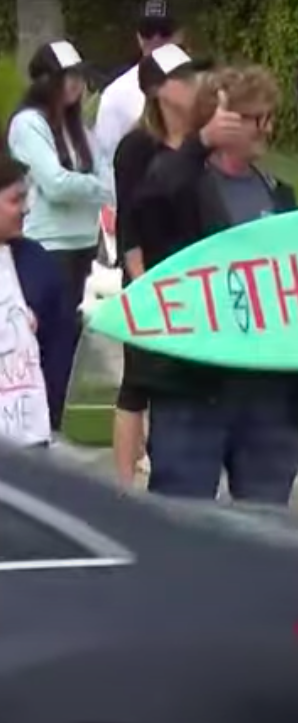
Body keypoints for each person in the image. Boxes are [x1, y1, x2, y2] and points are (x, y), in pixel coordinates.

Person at [129, 66, 298, 503]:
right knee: (183, 525)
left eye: (270, 116)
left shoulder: (279, 194)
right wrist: (200, 143)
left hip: (269, 393)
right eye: (258, 118)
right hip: (194, 390)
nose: (269, 128)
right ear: (224, 119)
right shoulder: (179, 182)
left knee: (266, 528)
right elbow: (149, 206)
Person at [110, 43, 203, 485]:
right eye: (182, 78)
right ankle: (124, 487)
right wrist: (141, 283)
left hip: (198, 276)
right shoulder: (136, 148)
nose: (193, 84)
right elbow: (129, 221)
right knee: (138, 383)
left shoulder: (204, 140)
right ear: (157, 90)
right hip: (150, 272)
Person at [7, 40, 112, 317]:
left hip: (84, 242)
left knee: (71, 333)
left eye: (79, 75)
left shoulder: (79, 130)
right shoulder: (28, 124)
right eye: (67, 76)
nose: (76, 83)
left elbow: (109, 181)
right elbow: (56, 184)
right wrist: (94, 186)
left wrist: (89, 185)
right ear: (46, 80)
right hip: (48, 242)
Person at [0, 156, 77, 448]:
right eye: (15, 200)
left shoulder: (37, 263)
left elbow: (60, 344)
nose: (26, 208)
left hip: (27, 431)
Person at [94, 0, 185, 161]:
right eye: (147, 31)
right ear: (138, 37)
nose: (156, 40)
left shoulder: (205, 84)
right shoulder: (116, 94)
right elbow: (105, 160)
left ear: (180, 35)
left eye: (164, 31)